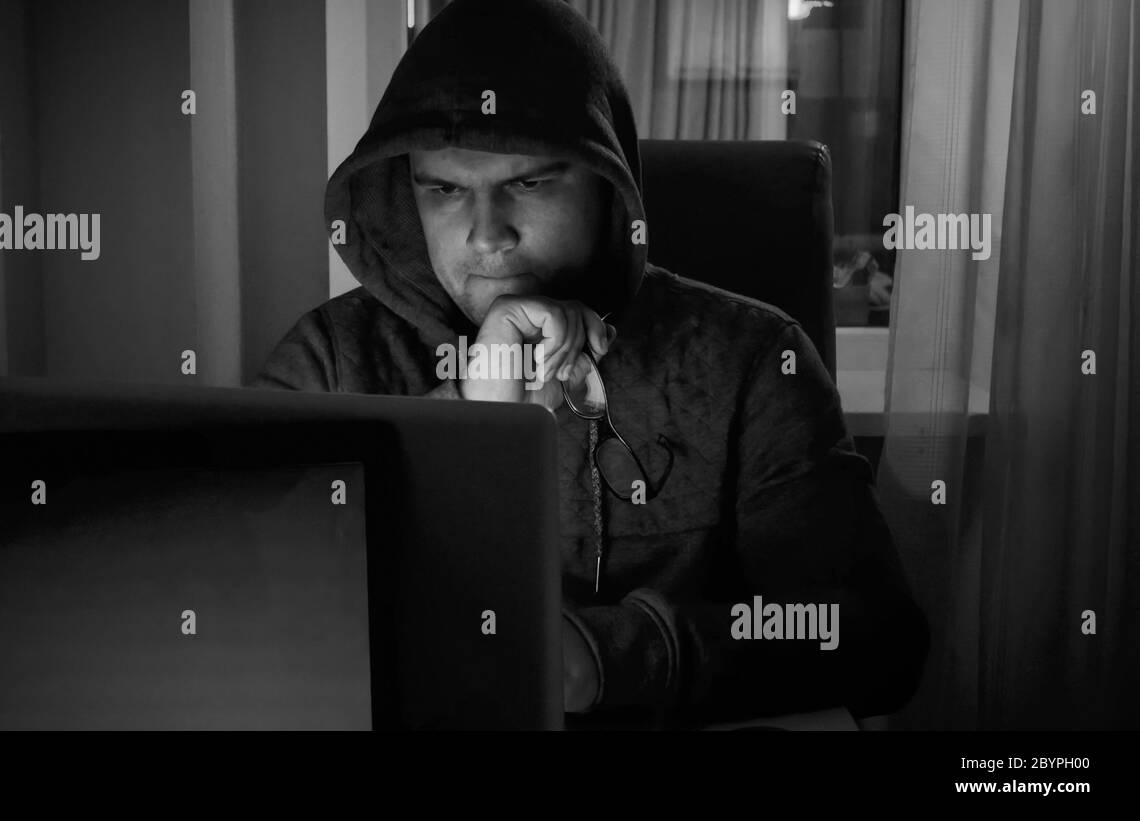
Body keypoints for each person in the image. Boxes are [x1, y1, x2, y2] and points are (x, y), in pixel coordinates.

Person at [253, 0, 928, 729]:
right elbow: (245, 611)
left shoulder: (753, 360)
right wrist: (464, 429)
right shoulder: (329, 363)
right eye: (443, 189)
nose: (486, 238)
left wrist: (604, 655)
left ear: (608, 187)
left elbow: (871, 637)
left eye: (530, 183)